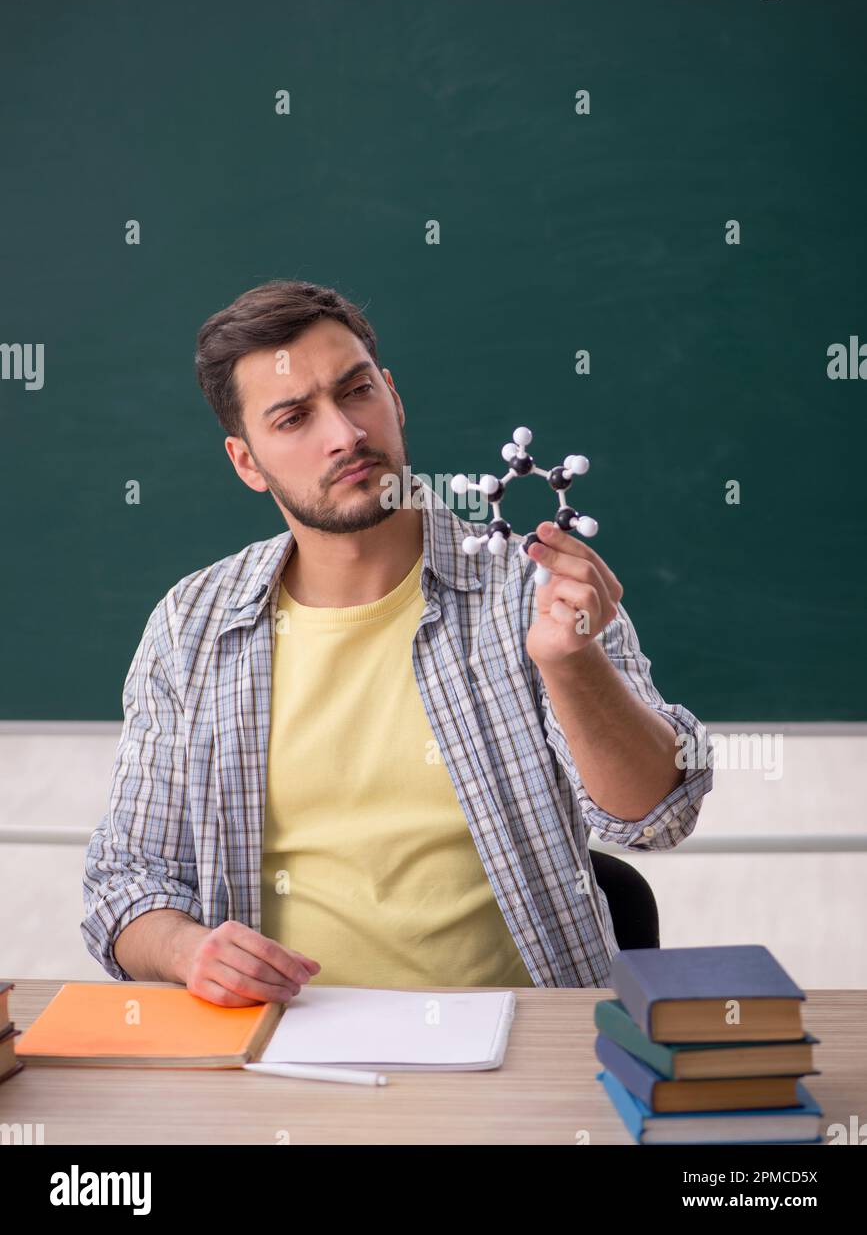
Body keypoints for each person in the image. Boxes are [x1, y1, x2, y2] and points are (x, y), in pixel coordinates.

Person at [82, 279, 714, 1004]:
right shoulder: (191, 624)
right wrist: (188, 950)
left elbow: (656, 818)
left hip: (527, 1045)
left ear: (392, 395)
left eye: (355, 393)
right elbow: (126, 880)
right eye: (293, 418)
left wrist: (571, 665)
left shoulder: (528, 585)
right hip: (280, 1046)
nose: (344, 434)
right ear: (247, 462)